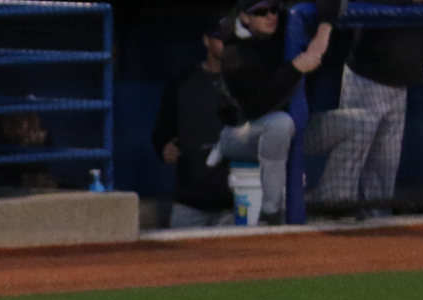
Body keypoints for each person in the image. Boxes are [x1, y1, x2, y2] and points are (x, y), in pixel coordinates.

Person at [215, 0, 375, 223]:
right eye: (261, 12)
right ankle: (271, 211)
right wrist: (295, 68)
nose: (271, 15)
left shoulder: (283, 25)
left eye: (273, 9)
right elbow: (257, 106)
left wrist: (323, 31)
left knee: (361, 123)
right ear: (245, 17)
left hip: (292, 129)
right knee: (279, 123)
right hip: (241, 135)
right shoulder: (235, 51)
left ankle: (332, 200)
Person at [337, 2, 423, 215]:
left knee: (385, 166)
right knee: (354, 157)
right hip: (366, 77)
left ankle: (379, 223)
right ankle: (343, 215)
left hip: (400, 82)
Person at [155, 28, 237, 227]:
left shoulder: (243, 82)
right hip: (190, 202)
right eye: (220, 38)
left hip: (234, 203)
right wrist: (164, 148)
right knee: (178, 257)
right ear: (206, 40)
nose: (226, 44)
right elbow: (162, 130)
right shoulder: (182, 81)